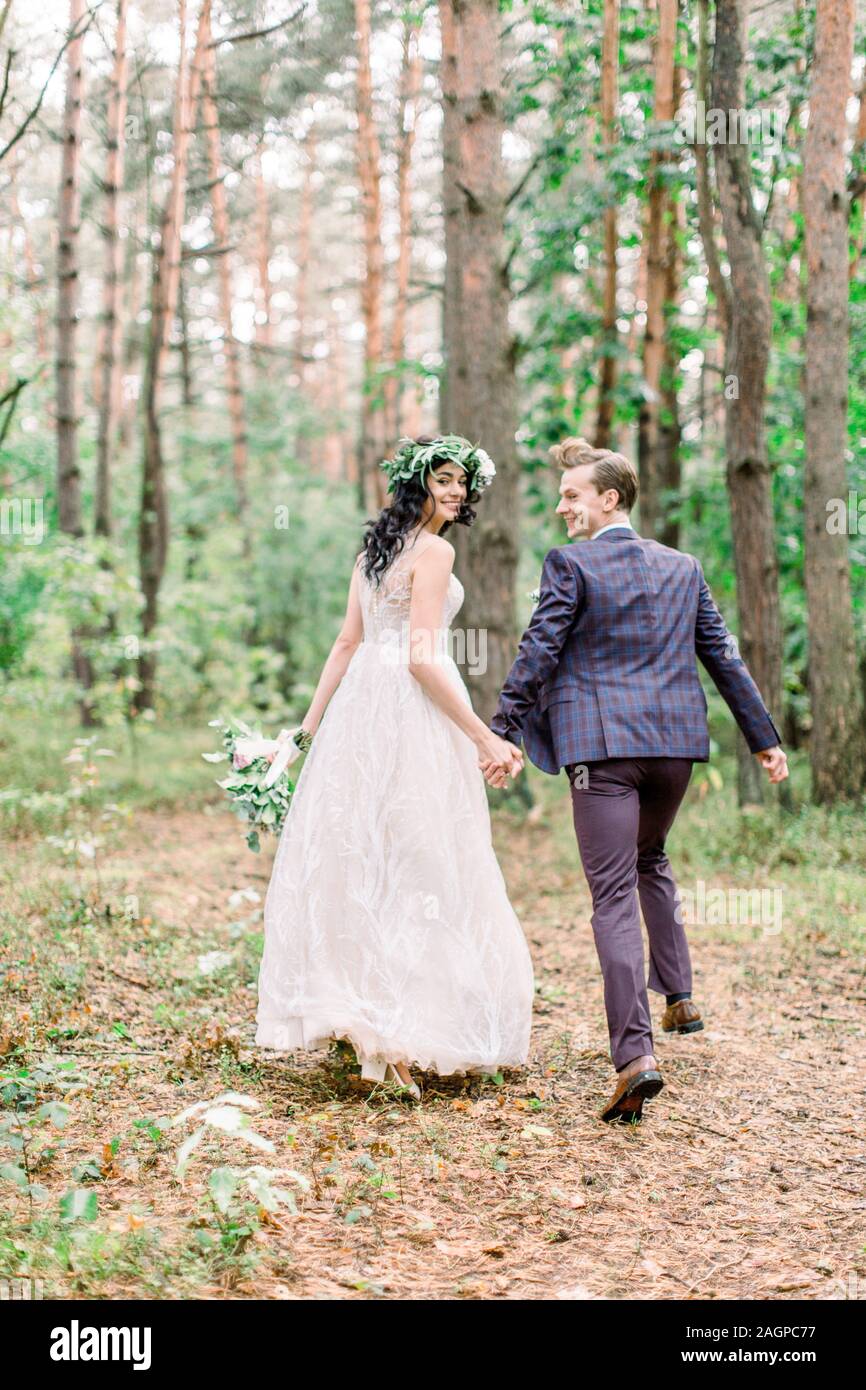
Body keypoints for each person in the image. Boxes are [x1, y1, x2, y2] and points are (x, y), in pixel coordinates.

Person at [482, 437, 788, 1123]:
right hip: (674, 752)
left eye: (571, 496)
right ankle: (679, 995)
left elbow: (540, 648)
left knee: (613, 893)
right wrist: (764, 739)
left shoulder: (571, 565)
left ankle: (634, 1058)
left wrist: (503, 729)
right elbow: (723, 656)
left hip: (604, 754)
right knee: (650, 858)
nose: (562, 508)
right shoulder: (682, 567)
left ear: (608, 499)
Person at [255, 435, 533, 1100]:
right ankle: (400, 1031)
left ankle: (377, 1026)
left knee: (365, 857)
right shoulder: (436, 551)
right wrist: (481, 737)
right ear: (417, 483)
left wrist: (307, 733)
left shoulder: (373, 552)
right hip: (409, 713)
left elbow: (350, 645)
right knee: (423, 859)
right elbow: (418, 655)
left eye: (463, 482)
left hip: (360, 715)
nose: (456, 491)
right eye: (444, 478)